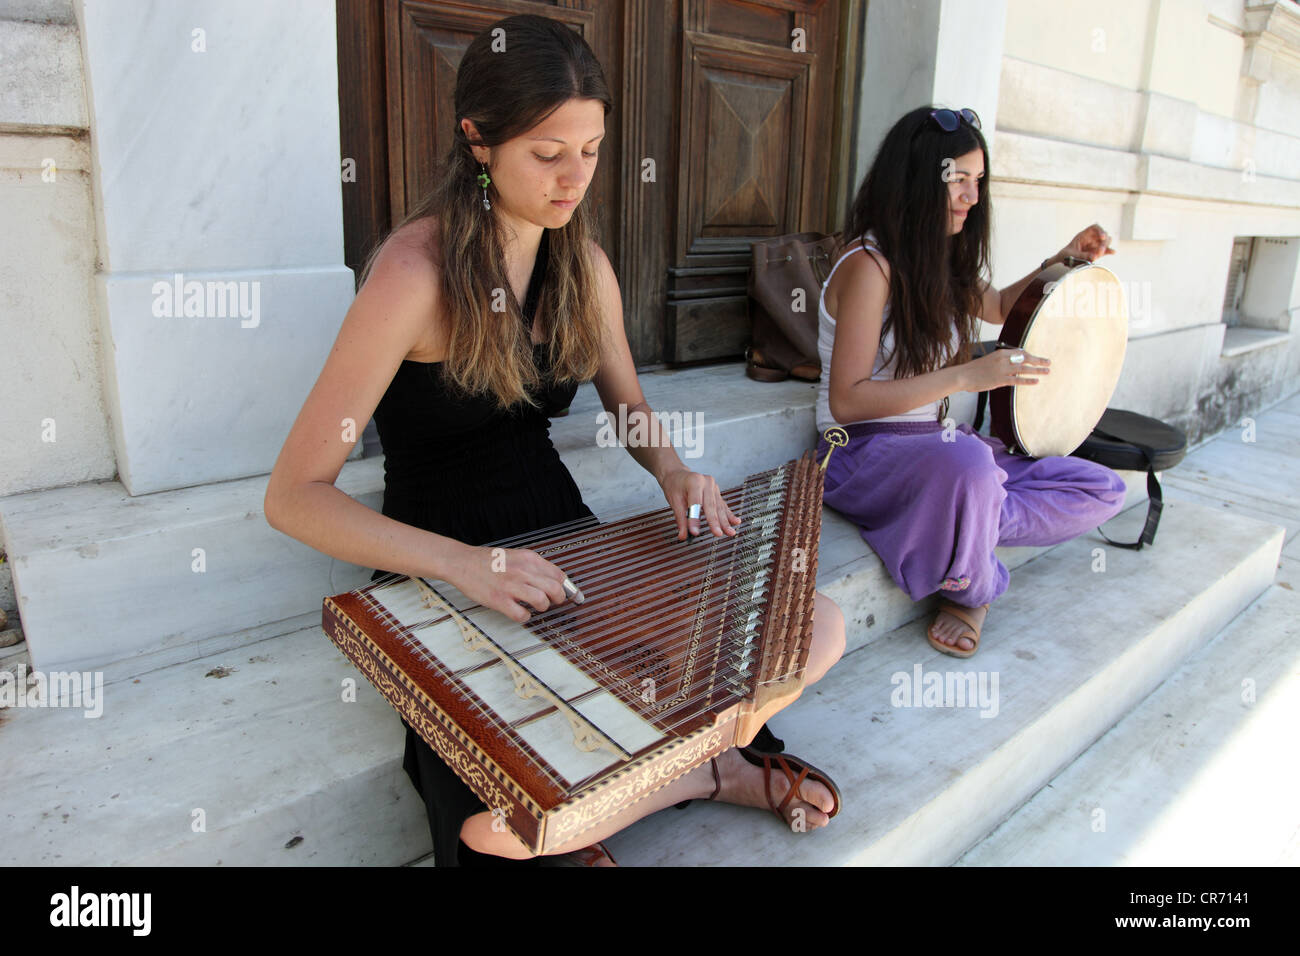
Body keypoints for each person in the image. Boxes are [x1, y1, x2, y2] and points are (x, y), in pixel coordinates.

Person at [264, 13, 845, 867]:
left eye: (593, 150)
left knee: (815, 624)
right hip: (443, 559)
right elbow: (293, 496)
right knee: (490, 827)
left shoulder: (584, 265)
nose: (575, 178)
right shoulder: (412, 275)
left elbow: (631, 409)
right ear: (478, 140)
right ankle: (703, 775)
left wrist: (674, 471)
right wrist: (466, 564)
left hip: (566, 544)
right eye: (547, 154)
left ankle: (633, 797)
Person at [815, 106, 1128, 659]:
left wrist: (1062, 261)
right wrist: (965, 375)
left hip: (935, 454)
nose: (971, 197)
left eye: (977, 182)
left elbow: (1002, 305)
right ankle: (972, 589)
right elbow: (848, 401)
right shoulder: (870, 266)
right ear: (916, 181)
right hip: (860, 451)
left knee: (1102, 487)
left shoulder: (941, 260)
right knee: (971, 468)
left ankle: (965, 521)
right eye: (958, 180)